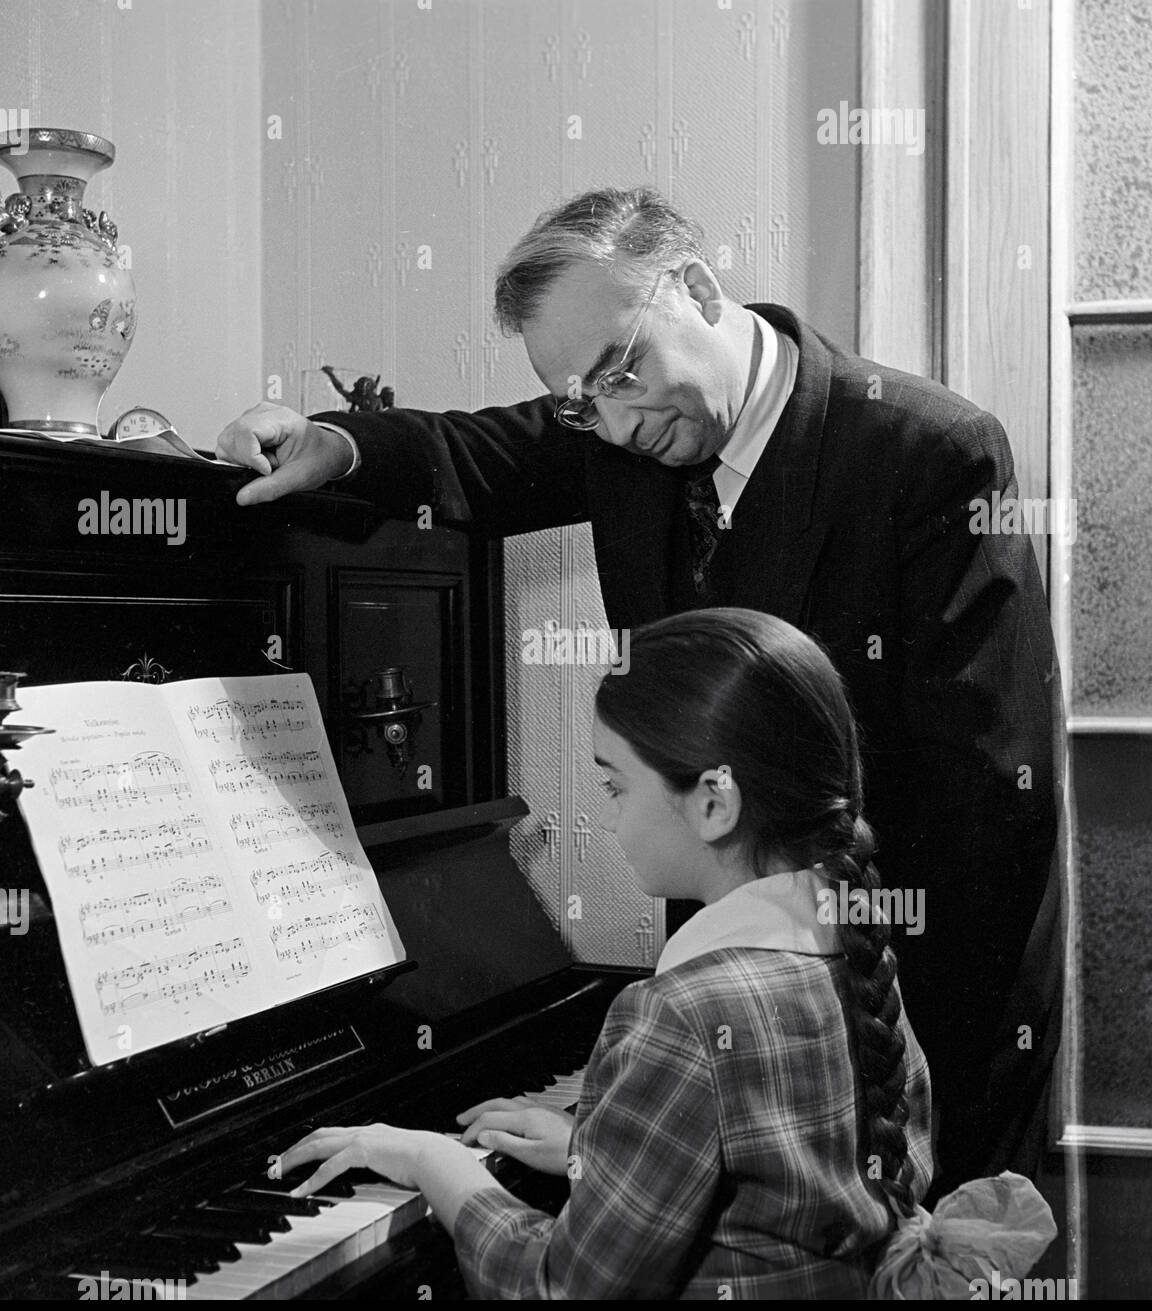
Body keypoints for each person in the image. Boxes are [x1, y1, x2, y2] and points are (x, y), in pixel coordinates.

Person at [217, 187, 1063, 1197]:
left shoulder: (929, 452)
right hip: (728, 994)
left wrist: (824, 1059)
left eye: (622, 370)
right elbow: (475, 453)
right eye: (581, 402)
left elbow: (990, 802)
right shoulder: (618, 425)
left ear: (699, 287)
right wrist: (335, 439)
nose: (613, 424)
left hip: (922, 1009)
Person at [274, 609, 936, 1299]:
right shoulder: (852, 950)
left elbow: (559, 1290)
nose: (610, 816)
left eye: (616, 787)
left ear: (714, 803)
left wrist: (431, 1159)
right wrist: (593, 1153)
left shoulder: (679, 1012)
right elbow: (772, 1183)